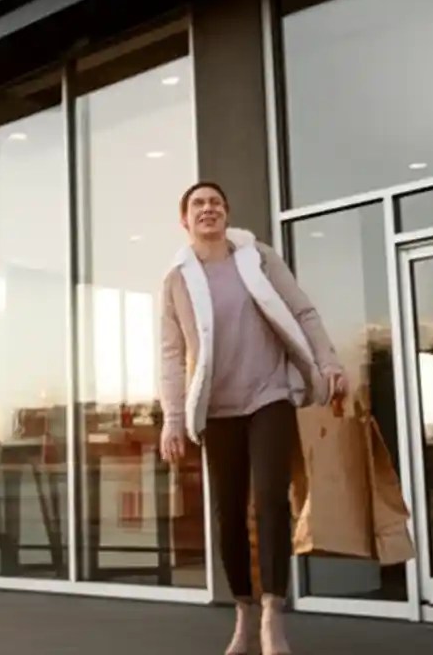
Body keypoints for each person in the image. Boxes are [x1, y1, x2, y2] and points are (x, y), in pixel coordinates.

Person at [159, 182, 348, 655]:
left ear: (227, 214)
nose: (208, 209)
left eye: (216, 203)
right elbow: (170, 353)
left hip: (269, 395)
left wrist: (328, 362)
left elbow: (302, 310)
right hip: (216, 409)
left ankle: (272, 615)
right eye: (198, 204)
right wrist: (172, 418)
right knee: (227, 513)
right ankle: (242, 614)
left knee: (270, 500)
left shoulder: (257, 258)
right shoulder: (176, 280)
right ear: (185, 220)